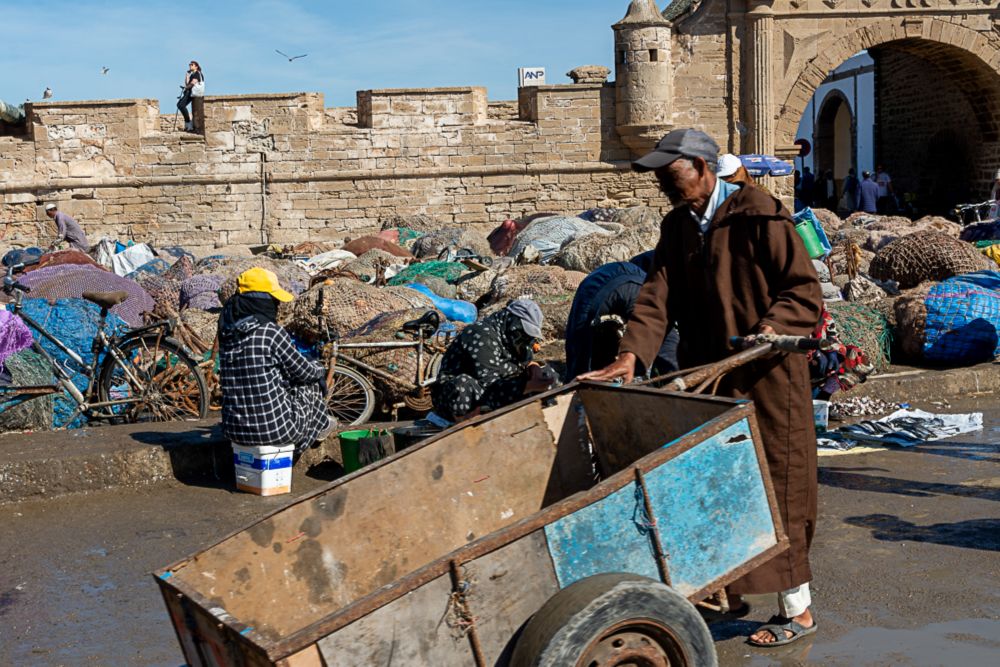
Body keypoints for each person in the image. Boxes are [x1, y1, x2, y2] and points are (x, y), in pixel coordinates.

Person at [579, 128, 822, 648]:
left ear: (703, 167)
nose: (664, 184)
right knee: (717, 485)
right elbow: (655, 297)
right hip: (710, 375)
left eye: (673, 174)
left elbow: (803, 291)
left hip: (768, 376)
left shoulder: (762, 214)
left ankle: (798, 612)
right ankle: (725, 594)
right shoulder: (679, 226)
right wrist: (630, 356)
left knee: (778, 487)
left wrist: (770, 330)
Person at [219, 268, 334, 459]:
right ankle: (320, 425)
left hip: (234, 431)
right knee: (311, 383)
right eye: (274, 300)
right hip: (275, 433)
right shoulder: (270, 332)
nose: (277, 305)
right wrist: (319, 366)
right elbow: (304, 372)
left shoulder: (226, 332)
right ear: (262, 301)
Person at [431, 298, 553, 423]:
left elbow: (525, 361)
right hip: (461, 395)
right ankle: (463, 424)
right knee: (463, 385)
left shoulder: (515, 339)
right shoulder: (481, 335)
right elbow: (490, 385)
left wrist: (534, 367)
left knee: (549, 375)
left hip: (495, 390)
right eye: (523, 332)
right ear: (511, 322)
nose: (526, 339)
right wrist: (529, 386)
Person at [565, 253, 679, 379]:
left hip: (608, 280)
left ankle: (582, 380)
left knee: (585, 350)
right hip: (614, 282)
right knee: (664, 336)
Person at [177, 60, 204, 132]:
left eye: (192, 64)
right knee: (179, 105)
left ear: (196, 66)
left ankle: (189, 123)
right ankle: (187, 124)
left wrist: (186, 88)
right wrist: (187, 75)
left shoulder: (197, 73)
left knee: (181, 105)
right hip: (188, 92)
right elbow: (187, 83)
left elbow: (192, 83)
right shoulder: (192, 74)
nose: (190, 65)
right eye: (190, 64)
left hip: (191, 93)